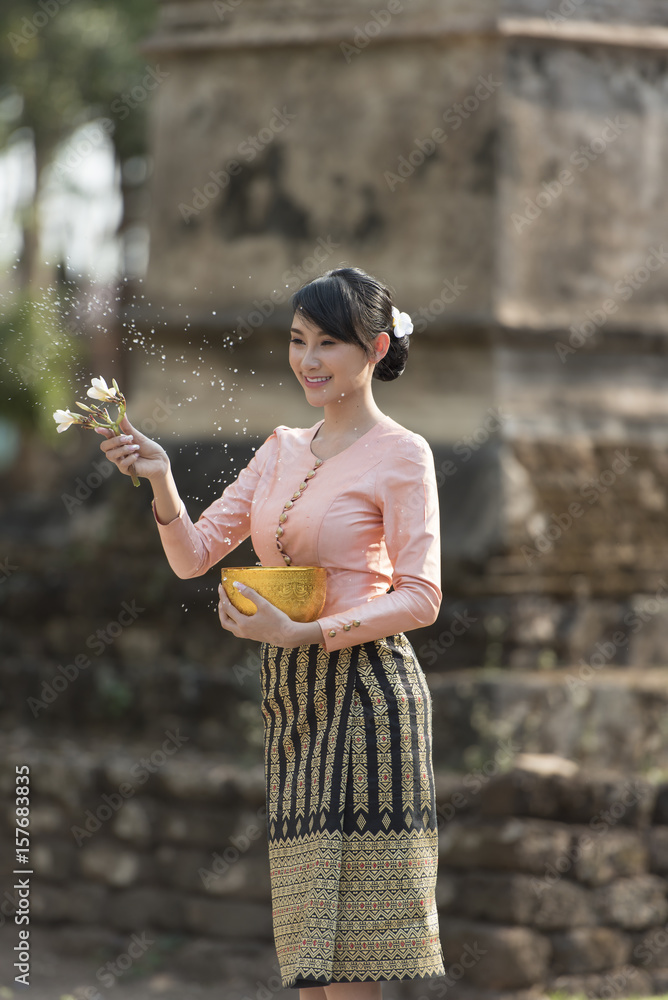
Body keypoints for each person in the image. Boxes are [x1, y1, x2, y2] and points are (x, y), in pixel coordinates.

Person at [96, 266, 445, 998]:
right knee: (312, 959)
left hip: (369, 699)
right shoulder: (281, 447)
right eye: (297, 340)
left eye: (328, 343)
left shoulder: (403, 453)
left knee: (352, 961)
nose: (308, 360)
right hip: (293, 701)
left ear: (377, 349)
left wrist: (305, 634)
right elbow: (194, 557)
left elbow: (421, 598)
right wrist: (161, 479)